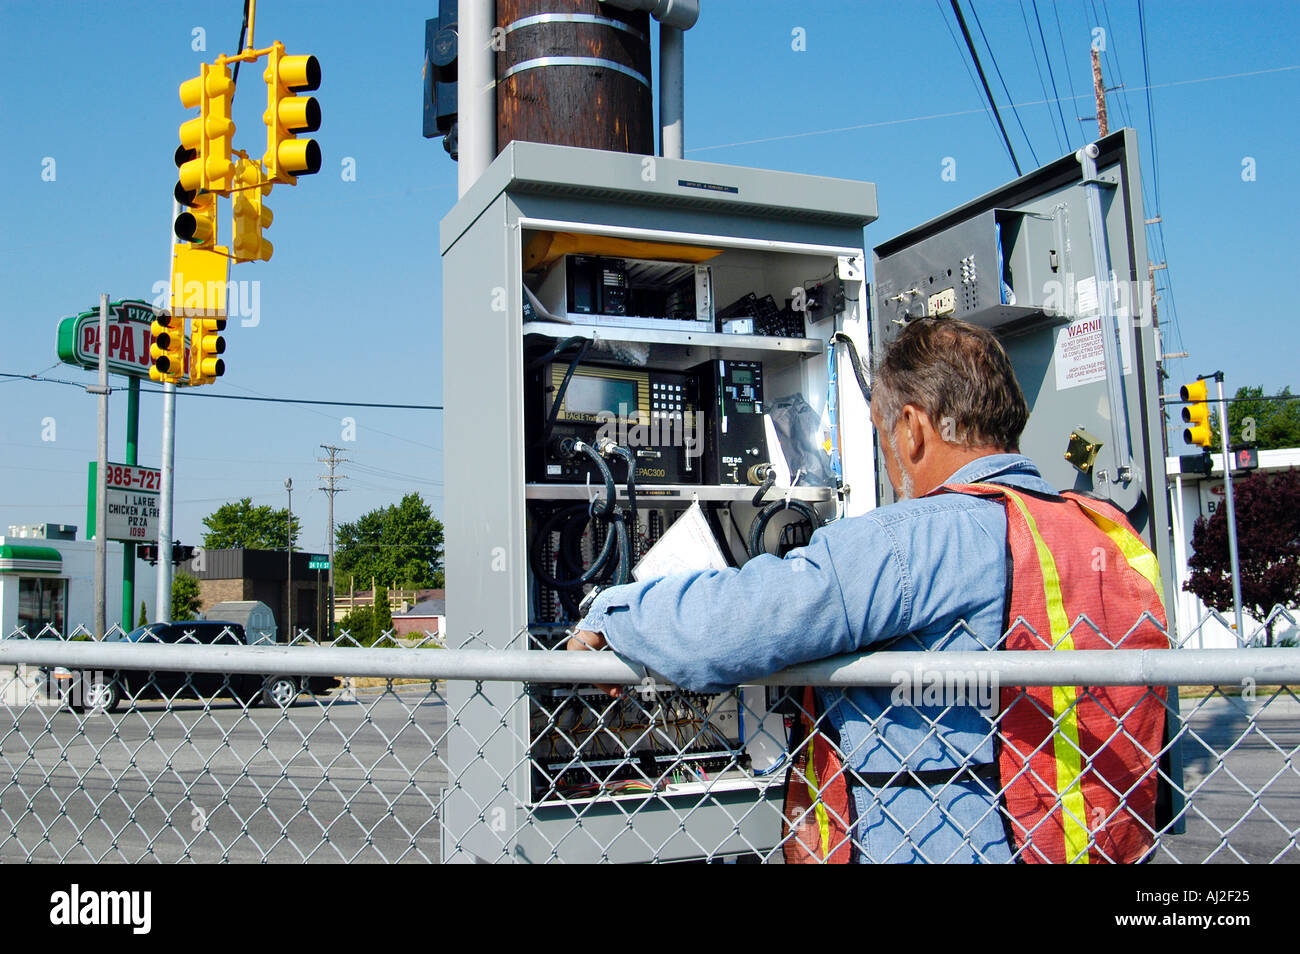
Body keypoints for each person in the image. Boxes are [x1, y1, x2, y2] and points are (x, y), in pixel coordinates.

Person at [566, 317, 1165, 863]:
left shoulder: (920, 538)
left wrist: (612, 614)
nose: (888, 461)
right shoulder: (1101, 530)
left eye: (881, 437)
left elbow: (746, 618)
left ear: (912, 429)